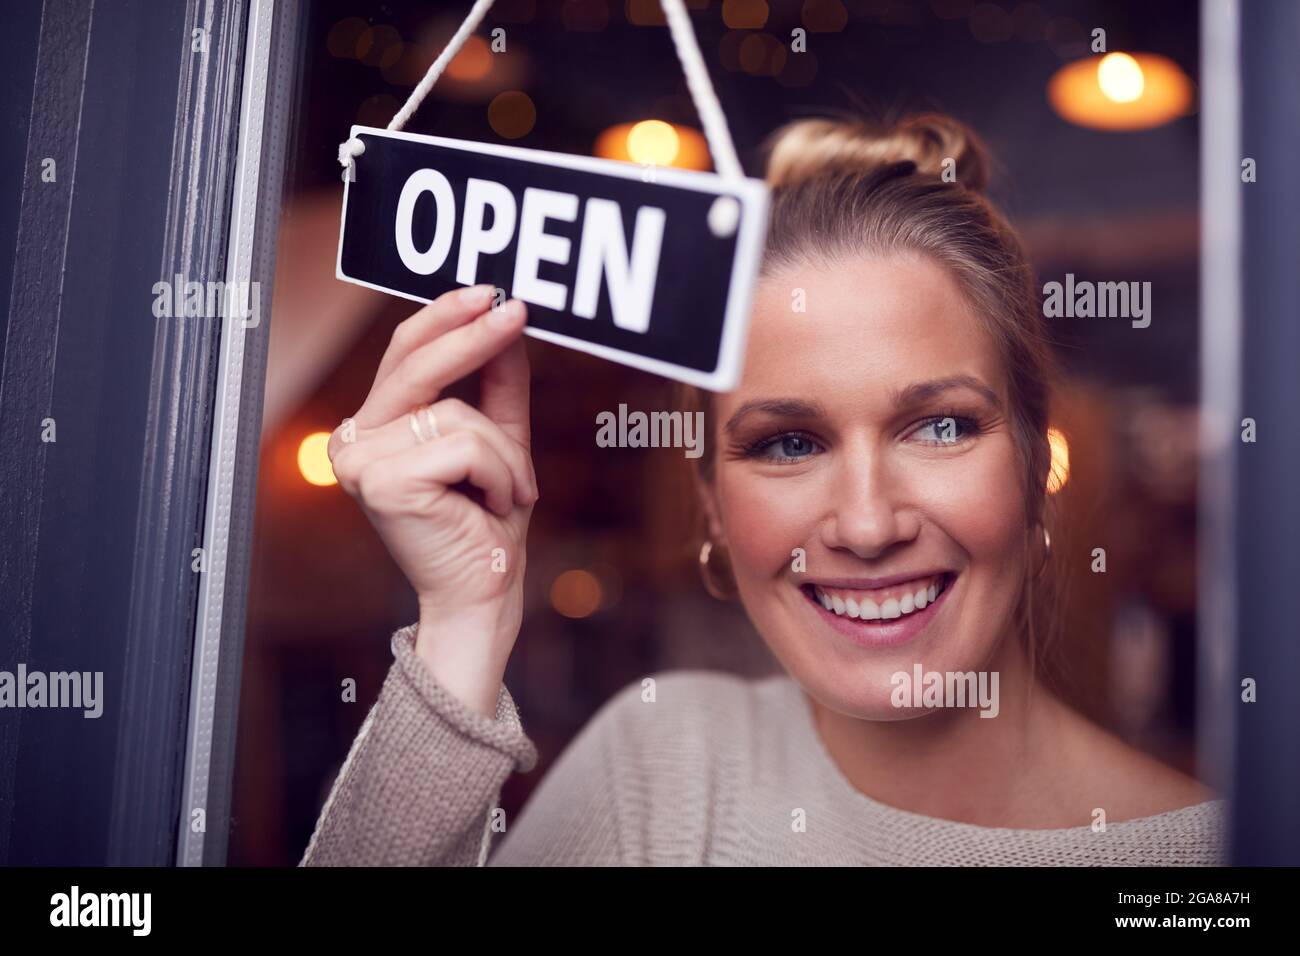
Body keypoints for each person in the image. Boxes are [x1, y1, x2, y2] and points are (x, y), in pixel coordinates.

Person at [301, 113, 1226, 866]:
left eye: (939, 426)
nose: (867, 523)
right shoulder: (660, 775)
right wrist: (463, 626)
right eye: (788, 443)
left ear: (1033, 466)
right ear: (709, 503)